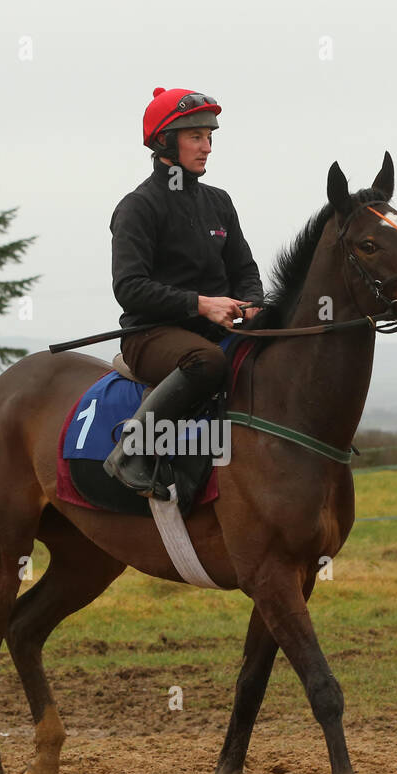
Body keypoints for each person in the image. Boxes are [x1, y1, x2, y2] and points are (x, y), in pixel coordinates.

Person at [103, 87, 264, 497]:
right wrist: (201, 305)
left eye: (210, 137)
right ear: (164, 142)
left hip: (214, 328)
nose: (207, 147)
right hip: (150, 334)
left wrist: (252, 303)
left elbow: (245, 270)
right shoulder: (138, 207)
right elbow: (129, 288)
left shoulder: (220, 202)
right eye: (196, 137)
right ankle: (130, 453)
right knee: (207, 363)